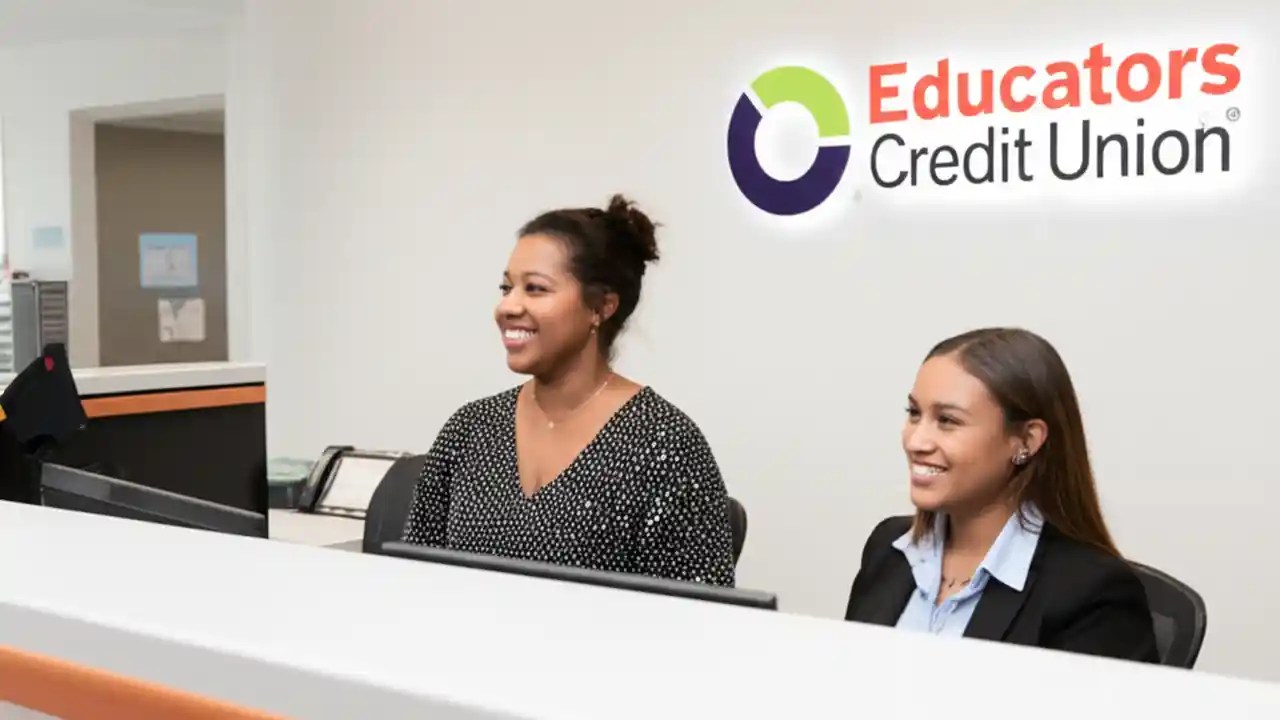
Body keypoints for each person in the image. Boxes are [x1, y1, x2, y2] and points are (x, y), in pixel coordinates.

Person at [402, 194, 736, 586]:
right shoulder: (469, 429)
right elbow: (413, 580)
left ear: (601, 307)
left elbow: (701, 622)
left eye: (536, 289)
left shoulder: (665, 445)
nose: (508, 306)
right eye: (506, 288)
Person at [844, 328, 1158, 662]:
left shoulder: (1092, 595)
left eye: (947, 420)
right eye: (914, 414)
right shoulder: (888, 549)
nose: (916, 441)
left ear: (1026, 440)